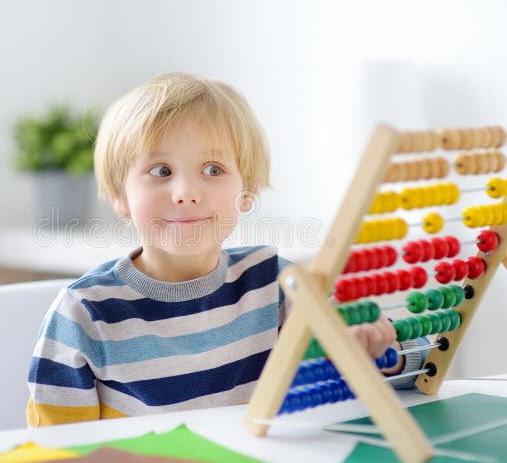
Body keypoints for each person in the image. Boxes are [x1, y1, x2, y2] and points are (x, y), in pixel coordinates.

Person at [26, 72, 423, 427]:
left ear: (245, 190)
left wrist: (378, 350)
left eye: (213, 170)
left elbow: (406, 370)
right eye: (161, 171)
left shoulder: (274, 282)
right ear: (119, 195)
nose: (186, 193)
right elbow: (56, 455)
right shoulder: (84, 312)